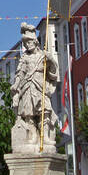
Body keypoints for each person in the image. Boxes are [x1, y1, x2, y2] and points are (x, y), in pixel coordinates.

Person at [10, 22, 59, 150]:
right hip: (28, 85)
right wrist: (16, 84)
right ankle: (32, 136)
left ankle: (45, 137)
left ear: (35, 41)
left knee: (45, 110)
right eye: (25, 43)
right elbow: (20, 73)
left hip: (41, 86)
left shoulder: (43, 55)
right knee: (29, 113)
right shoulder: (24, 57)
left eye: (29, 42)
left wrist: (51, 60)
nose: (27, 44)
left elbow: (53, 72)